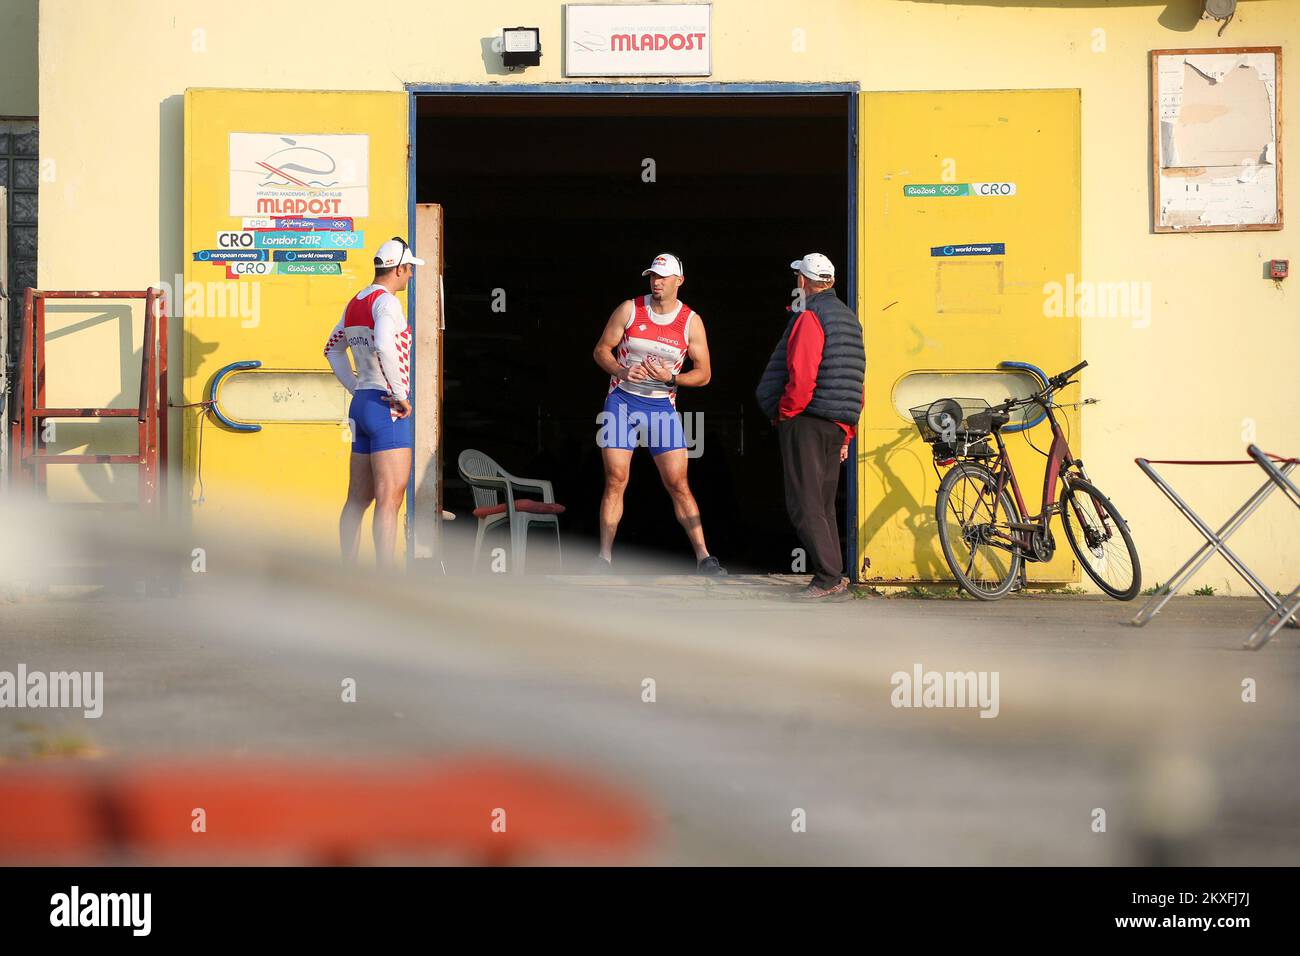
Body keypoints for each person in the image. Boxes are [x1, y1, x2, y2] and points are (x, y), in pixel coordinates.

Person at [591, 253, 725, 575]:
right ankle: (604, 559)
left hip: (661, 407)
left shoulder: (691, 321)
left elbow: (704, 374)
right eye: (653, 276)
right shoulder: (630, 309)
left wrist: (672, 378)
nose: (656, 282)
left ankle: (704, 558)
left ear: (679, 281)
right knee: (616, 479)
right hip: (621, 402)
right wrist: (622, 371)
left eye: (663, 277)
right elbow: (600, 350)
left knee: (678, 483)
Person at [755, 253, 865, 602]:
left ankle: (828, 577)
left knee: (804, 503)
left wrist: (787, 412)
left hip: (807, 419)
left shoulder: (810, 315)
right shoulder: (849, 319)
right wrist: (848, 431)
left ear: (803, 281)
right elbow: (857, 380)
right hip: (836, 423)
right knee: (823, 503)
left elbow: (802, 375)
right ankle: (835, 576)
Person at [323, 237, 423, 569]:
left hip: (363, 402)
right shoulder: (387, 304)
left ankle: (348, 573)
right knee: (389, 501)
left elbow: (331, 349)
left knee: (357, 499)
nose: (410, 277)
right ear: (399, 268)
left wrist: (355, 387)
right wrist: (400, 394)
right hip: (386, 406)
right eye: (409, 271)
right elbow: (383, 343)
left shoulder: (356, 301)